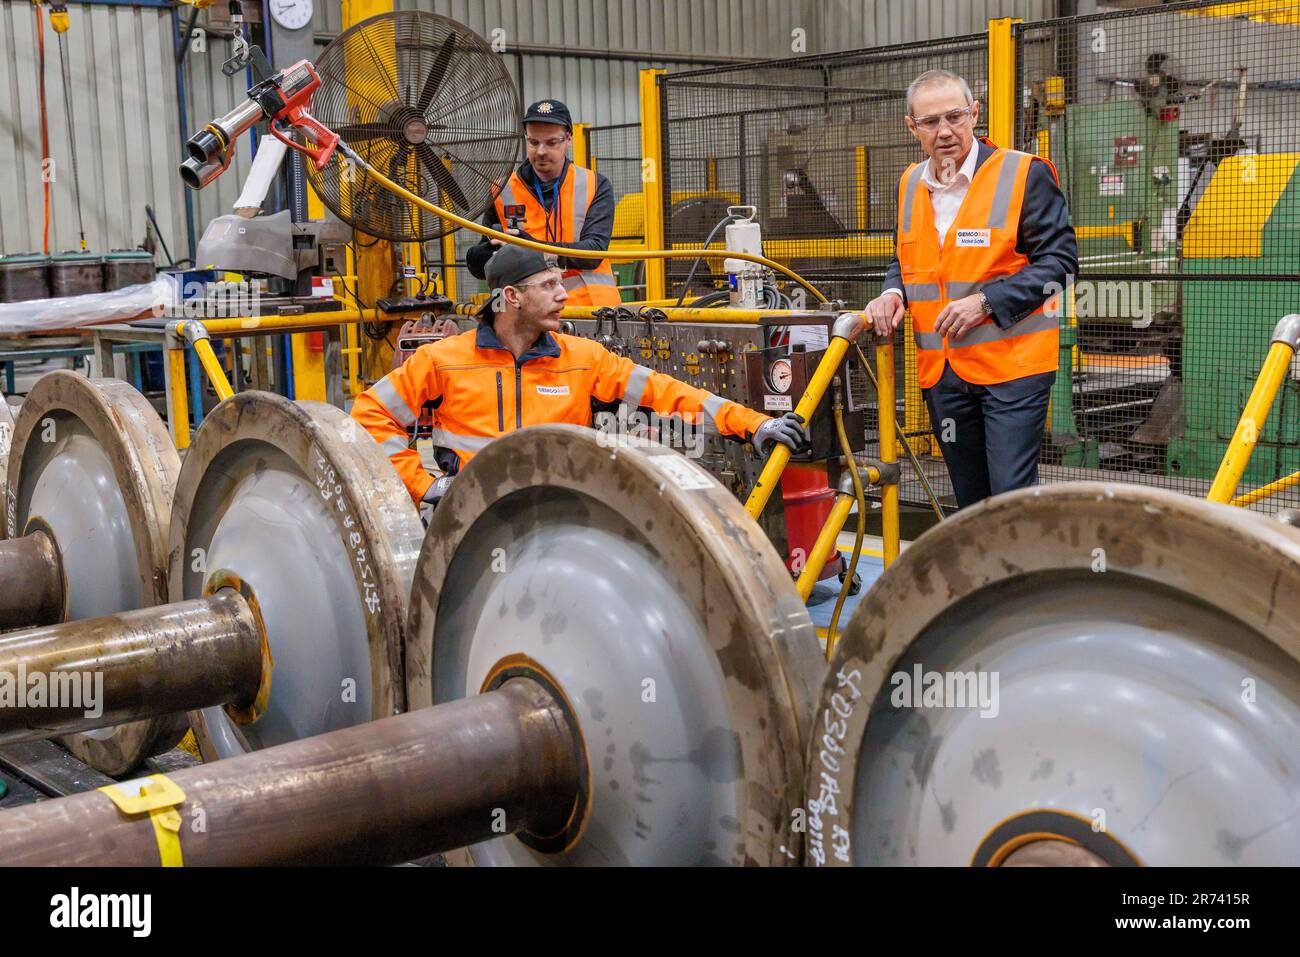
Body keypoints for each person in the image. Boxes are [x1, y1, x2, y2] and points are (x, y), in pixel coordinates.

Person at [352, 245, 807, 505]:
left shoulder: (584, 358)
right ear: (510, 297)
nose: (563, 296)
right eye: (548, 285)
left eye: (560, 284)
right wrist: (427, 485)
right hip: (474, 514)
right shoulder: (442, 361)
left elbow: (670, 395)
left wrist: (755, 424)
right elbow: (369, 413)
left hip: (561, 510)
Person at [866, 69, 1078, 509]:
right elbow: (906, 261)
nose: (944, 132)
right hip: (943, 374)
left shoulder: (1024, 175)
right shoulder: (909, 185)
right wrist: (892, 294)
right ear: (912, 127)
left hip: (1012, 372)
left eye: (955, 117)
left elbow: (1060, 265)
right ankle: (981, 580)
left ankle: (1021, 579)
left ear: (974, 114)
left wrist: (985, 302)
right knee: (970, 501)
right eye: (930, 122)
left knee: (1009, 499)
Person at [466, 99, 621, 307]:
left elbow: (593, 252)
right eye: (533, 142)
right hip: (526, 313)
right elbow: (489, 253)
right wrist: (480, 257)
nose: (540, 151)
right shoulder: (503, 190)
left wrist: (530, 249)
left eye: (551, 143)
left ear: (568, 139)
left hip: (587, 311)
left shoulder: (594, 185)